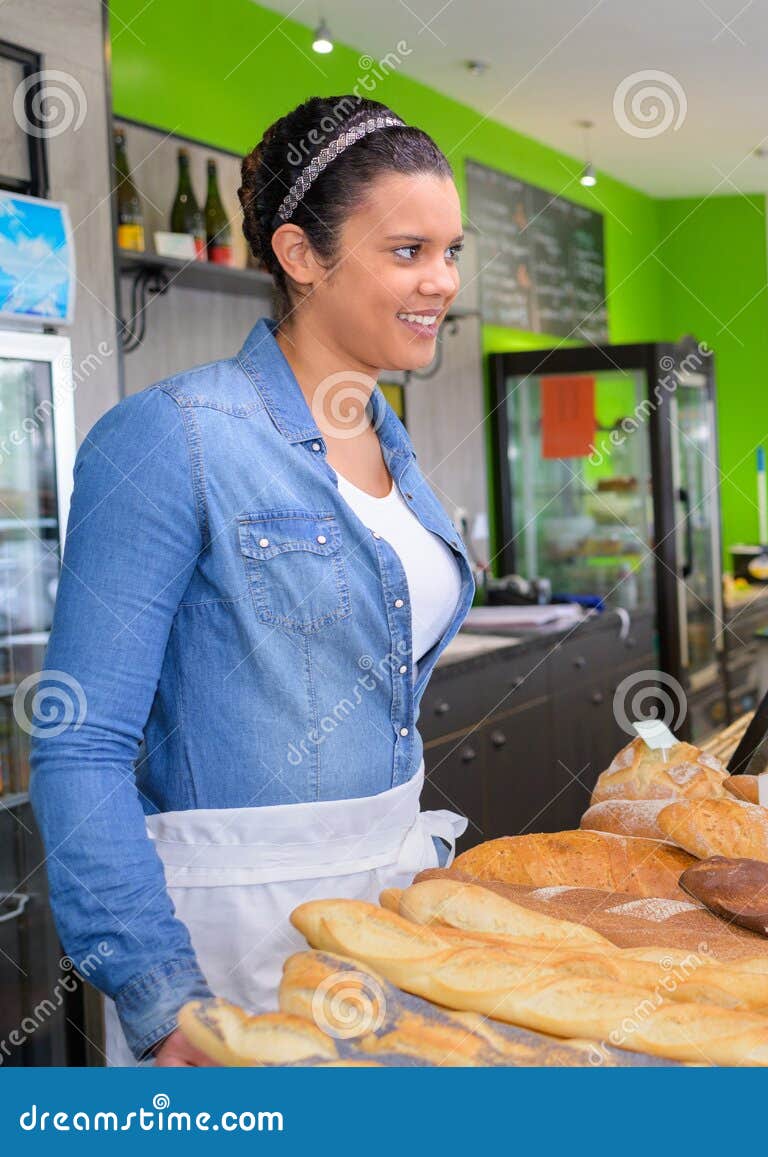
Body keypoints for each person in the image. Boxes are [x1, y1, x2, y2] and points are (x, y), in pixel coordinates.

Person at [30, 96, 476, 1065]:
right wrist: (159, 995)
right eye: (407, 251)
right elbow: (80, 746)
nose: (440, 281)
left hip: (389, 921)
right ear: (300, 254)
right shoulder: (174, 436)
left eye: (451, 251)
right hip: (228, 943)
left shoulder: (390, 444)